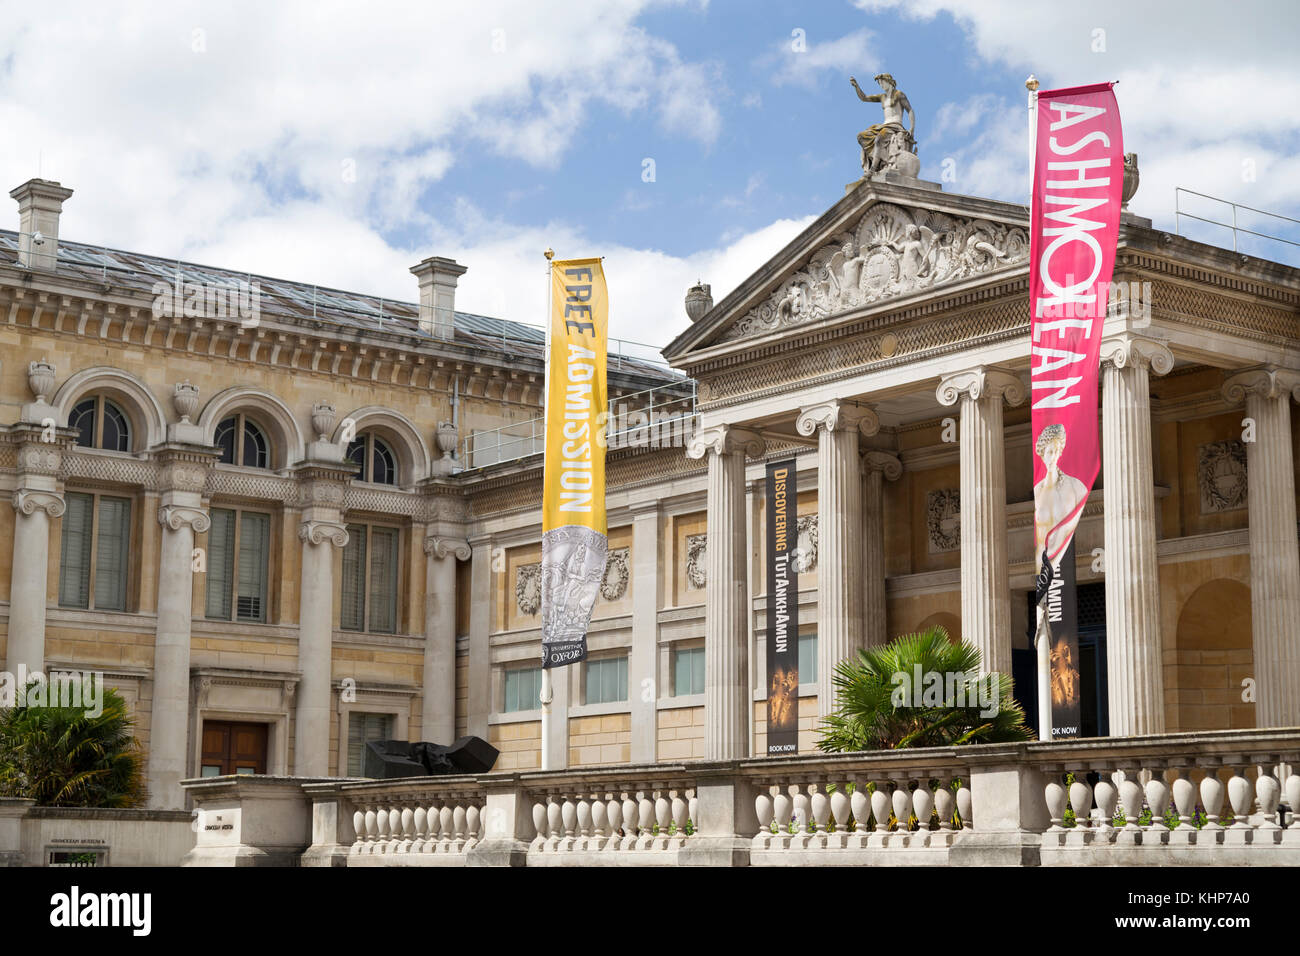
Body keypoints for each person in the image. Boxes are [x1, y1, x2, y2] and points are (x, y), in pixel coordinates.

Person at [850, 73, 915, 175]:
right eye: (880, 84)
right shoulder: (882, 97)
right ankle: (882, 159)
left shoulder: (899, 94)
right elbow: (864, 98)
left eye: (882, 83)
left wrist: (911, 128)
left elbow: (910, 110)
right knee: (861, 136)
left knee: (879, 139)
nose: (881, 86)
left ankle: (873, 168)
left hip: (895, 126)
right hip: (883, 126)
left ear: (889, 82)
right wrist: (856, 86)